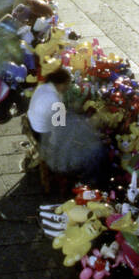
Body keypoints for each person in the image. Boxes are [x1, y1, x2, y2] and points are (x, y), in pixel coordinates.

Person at [28, 66, 107, 198]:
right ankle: (87, 182)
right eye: (67, 84)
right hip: (43, 134)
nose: (68, 87)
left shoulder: (44, 87)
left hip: (34, 123)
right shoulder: (53, 99)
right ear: (61, 84)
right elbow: (59, 129)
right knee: (91, 152)